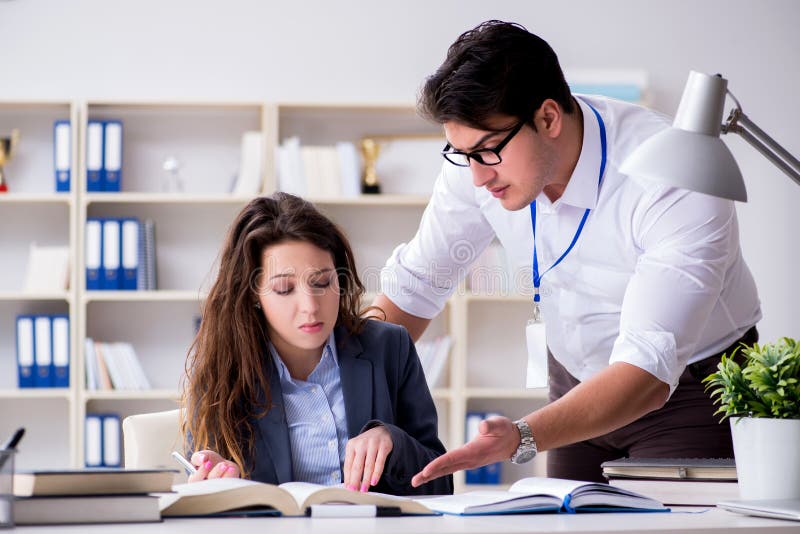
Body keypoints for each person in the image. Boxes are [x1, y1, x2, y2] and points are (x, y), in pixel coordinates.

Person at [369, 20, 761, 486]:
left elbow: (648, 371)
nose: (476, 176)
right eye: (462, 155)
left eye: (487, 152)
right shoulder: (478, 158)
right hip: (574, 381)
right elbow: (416, 283)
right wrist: (345, 370)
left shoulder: (671, 177)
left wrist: (521, 436)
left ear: (549, 118)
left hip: (691, 389)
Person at [180, 193, 452, 496]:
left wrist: (393, 441)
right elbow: (203, 492)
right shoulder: (222, 371)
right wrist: (213, 482)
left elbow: (441, 483)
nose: (310, 306)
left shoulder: (390, 347)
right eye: (284, 289)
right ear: (253, 296)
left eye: (323, 283)